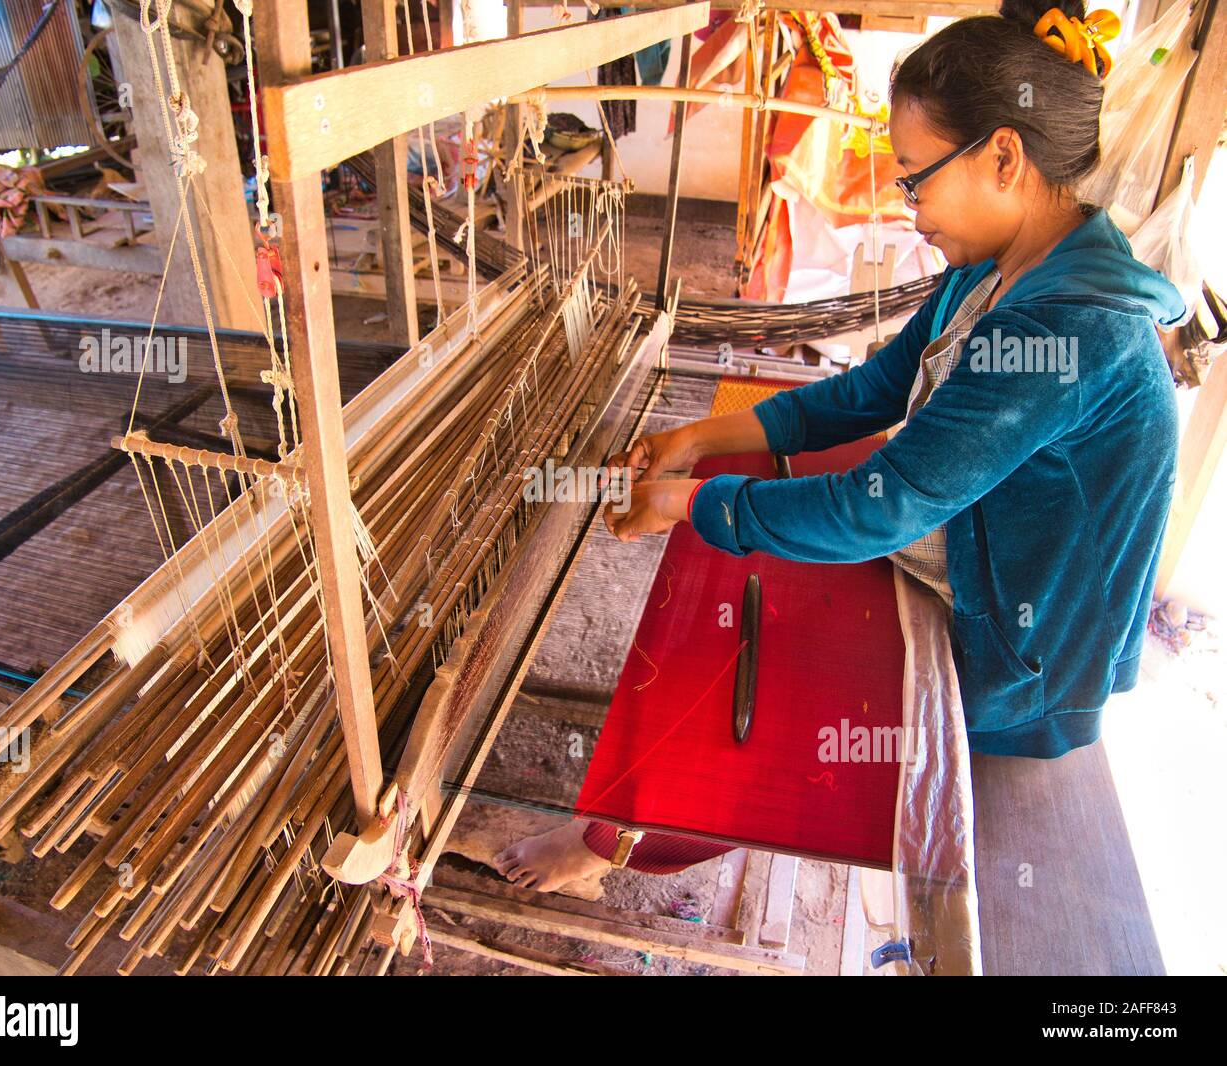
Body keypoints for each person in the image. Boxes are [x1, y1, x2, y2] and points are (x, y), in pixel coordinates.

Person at [493, 0, 1185, 892]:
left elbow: (883, 507)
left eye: (915, 179)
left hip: (1015, 666)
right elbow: (870, 393)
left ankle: (621, 843)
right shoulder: (996, 269)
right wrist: (697, 440)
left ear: (1004, 157)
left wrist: (688, 503)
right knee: (738, 524)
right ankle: (633, 816)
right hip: (962, 558)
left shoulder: (1074, 330)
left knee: (768, 688)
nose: (908, 208)